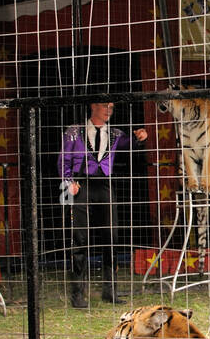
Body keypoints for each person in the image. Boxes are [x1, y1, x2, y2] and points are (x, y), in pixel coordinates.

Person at [58, 100, 150, 308]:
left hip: (104, 185)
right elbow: (63, 159)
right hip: (81, 184)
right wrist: (68, 182)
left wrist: (140, 138)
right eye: (104, 105)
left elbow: (132, 145)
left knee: (111, 236)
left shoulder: (116, 134)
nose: (108, 110)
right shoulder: (74, 131)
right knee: (79, 237)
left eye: (111, 106)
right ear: (92, 106)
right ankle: (78, 294)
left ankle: (110, 290)